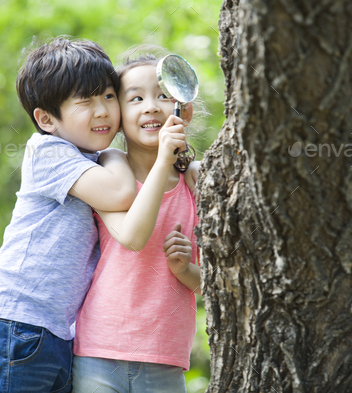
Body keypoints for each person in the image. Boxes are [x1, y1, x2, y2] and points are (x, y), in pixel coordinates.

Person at [0, 37, 186, 393]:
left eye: (109, 97)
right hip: (14, 325)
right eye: (86, 102)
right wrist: (117, 155)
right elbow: (122, 193)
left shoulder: (94, 159)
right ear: (47, 119)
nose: (102, 112)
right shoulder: (48, 151)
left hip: (55, 334)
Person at [72, 49, 204, 393]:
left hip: (165, 357)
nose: (151, 106)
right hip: (99, 351)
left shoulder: (196, 186)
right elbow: (134, 237)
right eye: (136, 98)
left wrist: (183, 269)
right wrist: (164, 161)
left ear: (183, 111)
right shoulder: (109, 173)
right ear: (117, 117)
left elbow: (214, 280)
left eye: (163, 96)